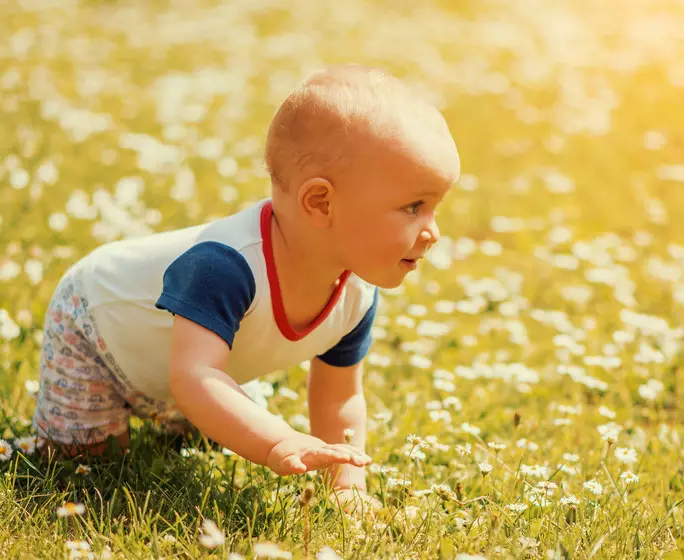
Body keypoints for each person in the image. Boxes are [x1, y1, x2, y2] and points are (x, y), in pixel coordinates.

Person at [32, 64, 461, 509]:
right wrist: (278, 442)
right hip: (97, 332)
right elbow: (195, 376)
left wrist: (347, 488)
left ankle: (182, 419)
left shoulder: (355, 292)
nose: (433, 232)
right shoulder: (226, 266)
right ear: (321, 202)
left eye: (434, 209)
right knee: (85, 474)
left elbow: (339, 395)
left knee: (214, 426)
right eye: (414, 207)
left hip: (209, 365)